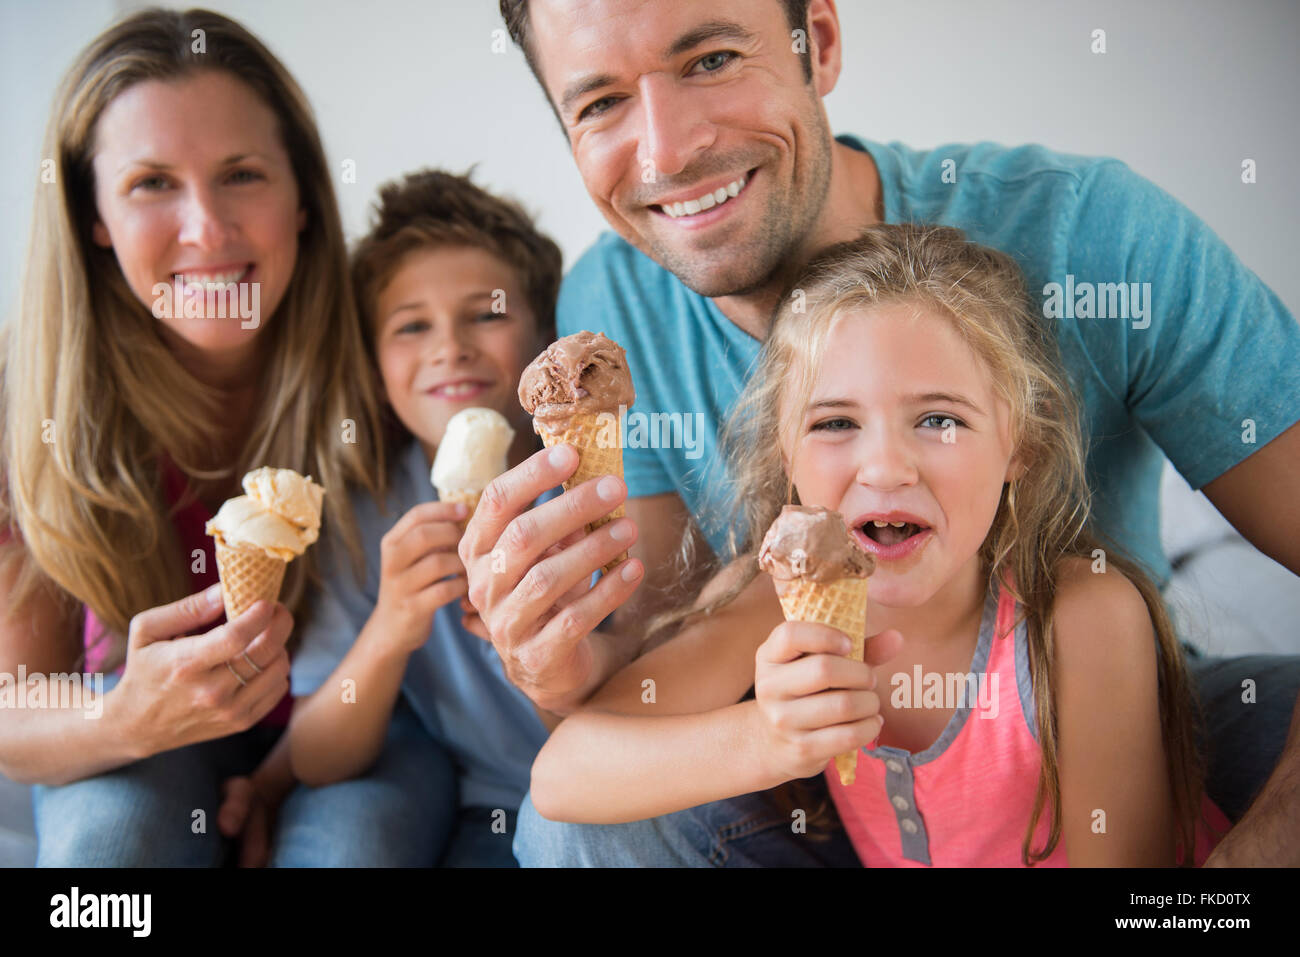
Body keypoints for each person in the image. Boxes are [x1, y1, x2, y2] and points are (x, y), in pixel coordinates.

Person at [461, 0, 1300, 865]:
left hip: (1125, 722)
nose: (667, 150)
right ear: (781, 455)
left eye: (711, 58)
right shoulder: (615, 315)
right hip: (820, 798)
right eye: (599, 102)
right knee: (571, 829)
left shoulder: (1096, 235)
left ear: (817, 43)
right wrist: (563, 673)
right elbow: (614, 712)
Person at [526, 224, 1234, 865]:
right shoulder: (772, 601)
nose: (888, 466)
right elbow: (562, 776)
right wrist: (768, 741)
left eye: (938, 418)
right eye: (835, 423)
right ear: (784, 451)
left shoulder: (1081, 619)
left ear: (1019, 441)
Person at [0, 8, 389, 866]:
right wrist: (123, 714)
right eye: (151, 183)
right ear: (93, 214)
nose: (206, 228)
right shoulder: (23, 407)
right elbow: (11, 705)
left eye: (242, 173)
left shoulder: (393, 348)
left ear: (302, 198)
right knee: (107, 852)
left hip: (345, 731)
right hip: (139, 742)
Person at [283, 168, 565, 865]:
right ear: (374, 361)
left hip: (608, 801)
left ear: (545, 331)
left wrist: (529, 644)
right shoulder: (365, 514)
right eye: (412, 325)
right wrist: (392, 625)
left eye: (487, 312)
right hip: (493, 808)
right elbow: (316, 759)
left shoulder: (593, 486)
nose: (450, 347)